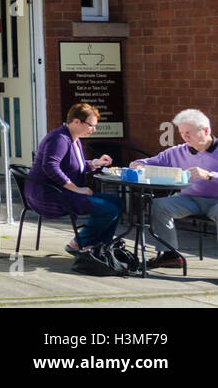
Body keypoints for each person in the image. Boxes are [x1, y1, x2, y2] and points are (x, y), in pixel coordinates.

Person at [26, 103, 122, 253]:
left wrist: (94, 163)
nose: (93, 129)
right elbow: (50, 167)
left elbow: (71, 165)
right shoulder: (60, 139)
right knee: (108, 209)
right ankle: (79, 243)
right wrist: (77, 189)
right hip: (51, 196)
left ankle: (100, 247)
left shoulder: (73, 138)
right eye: (91, 125)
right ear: (77, 121)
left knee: (117, 202)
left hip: (63, 192)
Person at [128, 108, 218, 268]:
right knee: (159, 205)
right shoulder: (177, 152)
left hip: (216, 203)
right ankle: (170, 255)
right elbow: (150, 161)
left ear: (206, 130)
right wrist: (138, 164)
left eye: (189, 132)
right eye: (182, 132)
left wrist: (210, 175)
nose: (185, 137)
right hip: (189, 199)